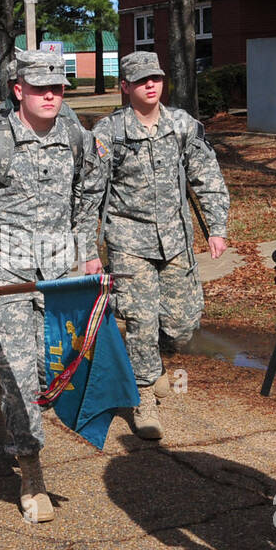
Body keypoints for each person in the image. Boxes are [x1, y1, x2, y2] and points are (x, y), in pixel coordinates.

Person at [0, 50, 104, 523]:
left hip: (58, 277)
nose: (51, 96)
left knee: (51, 374)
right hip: (4, 278)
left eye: (57, 88)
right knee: (19, 374)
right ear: (18, 90)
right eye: (39, 88)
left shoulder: (75, 136)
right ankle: (32, 474)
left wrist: (86, 245)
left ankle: (17, 412)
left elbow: (91, 187)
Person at [89, 51, 229, 441]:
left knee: (183, 324)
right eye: (141, 80)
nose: (151, 85)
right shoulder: (108, 133)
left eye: (156, 78)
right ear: (125, 87)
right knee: (140, 322)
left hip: (176, 240)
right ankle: (143, 395)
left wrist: (216, 228)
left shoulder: (183, 126)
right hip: (128, 241)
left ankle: (151, 366)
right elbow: (89, 194)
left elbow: (207, 176)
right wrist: (87, 249)